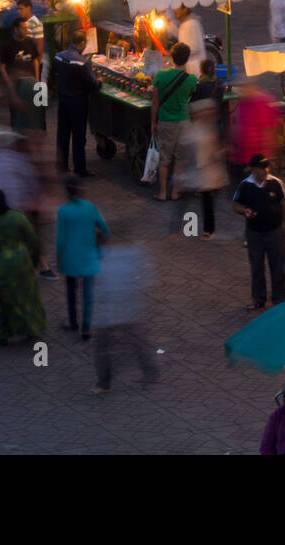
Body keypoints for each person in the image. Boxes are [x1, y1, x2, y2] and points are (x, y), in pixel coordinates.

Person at [0, 188, 46, 346]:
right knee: (26, 297)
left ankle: (3, 334)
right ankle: (31, 328)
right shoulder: (18, 218)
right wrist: (34, 261)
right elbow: (33, 240)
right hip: (20, 264)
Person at [90, 238, 159, 394]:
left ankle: (104, 383)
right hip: (127, 310)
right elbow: (147, 279)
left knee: (102, 347)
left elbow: (96, 284)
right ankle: (150, 371)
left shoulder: (102, 256)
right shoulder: (135, 253)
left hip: (111, 312)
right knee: (136, 341)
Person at [233, 155, 285, 309]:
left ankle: (279, 298)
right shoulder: (245, 186)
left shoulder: (276, 183)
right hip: (254, 233)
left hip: (275, 231)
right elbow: (235, 205)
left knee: (277, 265)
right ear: (252, 169)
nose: (265, 170)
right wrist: (244, 211)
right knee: (257, 266)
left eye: (266, 167)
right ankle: (259, 298)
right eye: (261, 168)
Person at [56, 177, 108, 340]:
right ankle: (86, 328)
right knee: (88, 294)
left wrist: (58, 258)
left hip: (70, 259)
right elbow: (105, 231)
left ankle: (73, 321)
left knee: (71, 291)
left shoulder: (63, 211)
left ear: (67, 191)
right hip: (88, 257)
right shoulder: (92, 208)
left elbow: (60, 240)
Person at [150, 42, 197, 202]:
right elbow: (189, 96)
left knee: (164, 159)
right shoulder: (191, 79)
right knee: (179, 159)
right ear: (187, 59)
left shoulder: (160, 76)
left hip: (166, 121)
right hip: (184, 122)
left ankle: (163, 193)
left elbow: (155, 103)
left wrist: (153, 123)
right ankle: (175, 192)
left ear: (171, 56)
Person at [178, 99, 227, 240]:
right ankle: (188, 228)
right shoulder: (194, 128)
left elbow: (214, 149)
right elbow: (186, 149)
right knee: (195, 201)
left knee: (206, 202)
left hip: (207, 172)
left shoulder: (210, 129)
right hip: (197, 170)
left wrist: (220, 153)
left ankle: (207, 230)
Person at [52, 31, 98, 176]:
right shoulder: (82, 62)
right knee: (78, 137)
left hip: (63, 100)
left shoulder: (58, 56)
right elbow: (92, 83)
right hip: (78, 102)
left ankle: (62, 166)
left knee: (63, 134)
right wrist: (99, 83)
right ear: (82, 43)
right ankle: (80, 169)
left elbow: (54, 74)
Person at [0, 18, 44, 136]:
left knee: (34, 111)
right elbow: (1, 66)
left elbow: (35, 60)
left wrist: (37, 80)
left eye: (27, 28)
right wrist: (9, 84)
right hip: (16, 86)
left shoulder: (30, 42)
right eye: (23, 28)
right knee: (16, 115)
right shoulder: (7, 45)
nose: (26, 30)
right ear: (16, 29)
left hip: (30, 84)